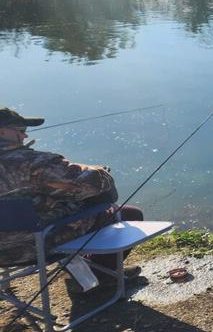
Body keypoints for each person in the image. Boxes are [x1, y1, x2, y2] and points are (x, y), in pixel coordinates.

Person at [0, 108, 143, 286]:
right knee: (128, 213)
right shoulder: (30, 163)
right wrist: (100, 171)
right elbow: (91, 184)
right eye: (20, 130)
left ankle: (82, 270)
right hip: (34, 246)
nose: (24, 137)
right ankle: (100, 274)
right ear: (2, 131)